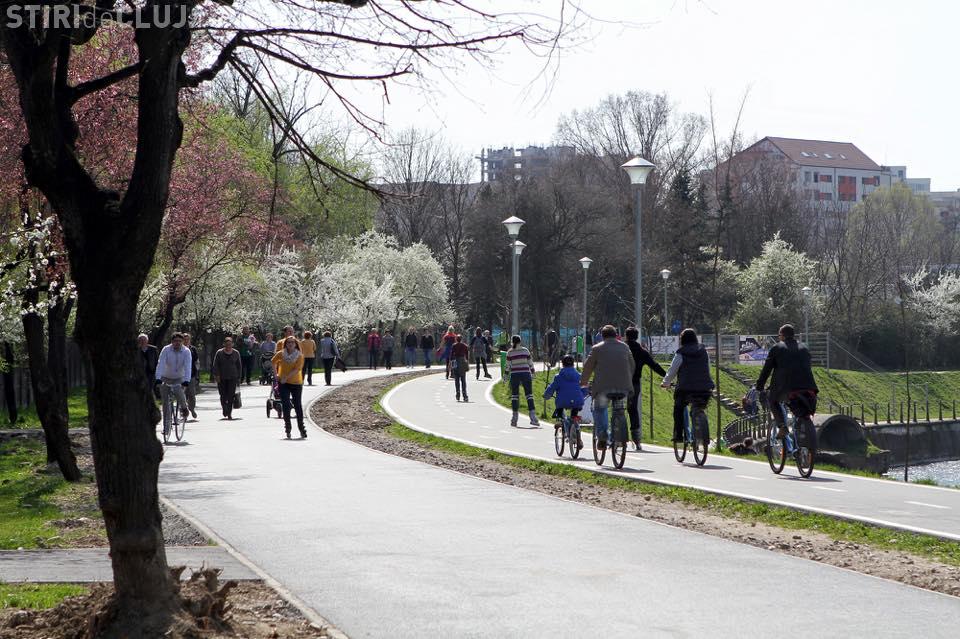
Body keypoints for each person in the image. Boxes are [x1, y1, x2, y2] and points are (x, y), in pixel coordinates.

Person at [755, 324, 819, 438]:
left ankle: (782, 426)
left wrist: (760, 386)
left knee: (773, 400)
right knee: (804, 408)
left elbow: (767, 369)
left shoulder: (777, 348)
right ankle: (803, 432)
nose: (779, 338)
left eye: (779, 335)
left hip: (786, 387)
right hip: (809, 386)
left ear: (782, 336)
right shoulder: (804, 348)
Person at [580, 325, 634, 449]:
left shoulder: (597, 348)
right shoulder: (625, 347)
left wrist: (583, 382)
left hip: (603, 388)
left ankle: (602, 435)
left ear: (602, 336)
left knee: (599, 408)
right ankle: (620, 433)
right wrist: (628, 379)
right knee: (619, 408)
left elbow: (588, 367)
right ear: (616, 335)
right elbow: (632, 365)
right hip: (623, 387)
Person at [660, 328, 715, 443]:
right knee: (700, 406)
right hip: (705, 387)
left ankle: (678, 435)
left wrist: (665, 383)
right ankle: (702, 430)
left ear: (682, 340)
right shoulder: (703, 351)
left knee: (678, 408)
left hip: (686, 389)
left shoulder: (681, 353)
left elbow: (672, 370)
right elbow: (707, 368)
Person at [624, 327, 667, 451]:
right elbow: (654, 365)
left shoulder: (622, 348)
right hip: (635, 384)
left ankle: (617, 436)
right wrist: (666, 376)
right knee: (632, 410)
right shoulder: (642, 351)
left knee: (618, 407)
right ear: (637, 337)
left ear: (626, 336)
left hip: (620, 383)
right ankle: (637, 440)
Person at [543, 355, 585, 447]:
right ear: (573, 364)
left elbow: (551, 388)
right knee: (574, 416)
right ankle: (578, 438)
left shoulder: (558, 377)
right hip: (577, 401)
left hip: (562, 401)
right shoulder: (579, 376)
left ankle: (566, 430)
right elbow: (584, 389)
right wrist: (583, 395)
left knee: (561, 413)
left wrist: (546, 396)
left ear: (562, 364)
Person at [155, 333, 192, 437]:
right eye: (175, 341)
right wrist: (158, 378)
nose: (177, 343)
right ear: (172, 342)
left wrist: (186, 380)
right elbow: (160, 363)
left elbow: (188, 366)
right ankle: (166, 427)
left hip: (179, 377)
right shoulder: (166, 350)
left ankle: (184, 408)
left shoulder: (186, 351)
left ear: (182, 342)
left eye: (179, 341)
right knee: (165, 402)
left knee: (179, 392)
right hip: (165, 377)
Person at [272, 336, 306, 439]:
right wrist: (276, 374)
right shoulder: (281, 354)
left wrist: (286, 377)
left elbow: (297, 369)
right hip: (283, 383)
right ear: (285, 344)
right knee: (286, 405)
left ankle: (301, 427)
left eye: (292, 343)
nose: (290, 344)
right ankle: (288, 426)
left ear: (295, 344)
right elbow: (273, 361)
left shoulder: (299, 356)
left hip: (296, 383)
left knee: (297, 405)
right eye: (288, 342)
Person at [506, 335, 539, 427]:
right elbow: (530, 363)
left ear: (512, 342)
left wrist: (505, 376)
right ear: (520, 341)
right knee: (529, 395)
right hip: (525, 374)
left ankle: (514, 418)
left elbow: (508, 366)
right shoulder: (525, 350)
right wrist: (533, 372)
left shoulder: (510, 352)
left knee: (514, 396)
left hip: (515, 375)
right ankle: (533, 417)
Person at [212, 336, 242, 420]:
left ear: (232, 344)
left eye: (230, 344)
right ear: (224, 344)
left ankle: (229, 412)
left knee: (231, 396)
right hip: (221, 378)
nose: (228, 346)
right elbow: (215, 365)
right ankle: (224, 407)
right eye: (227, 344)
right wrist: (216, 375)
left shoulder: (236, 353)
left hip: (233, 377)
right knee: (223, 395)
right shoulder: (219, 353)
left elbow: (239, 366)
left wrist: (239, 377)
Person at [182, 333, 200, 420]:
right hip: (181, 376)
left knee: (192, 394)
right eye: (184, 339)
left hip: (191, 375)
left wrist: (197, 373)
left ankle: (192, 409)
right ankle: (184, 413)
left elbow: (197, 362)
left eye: (187, 339)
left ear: (189, 340)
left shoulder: (193, 349)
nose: (186, 341)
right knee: (182, 395)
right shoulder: (179, 349)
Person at [138, 334, 159, 398]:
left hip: (151, 373)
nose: (142, 341)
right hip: (140, 374)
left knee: (149, 389)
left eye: (144, 340)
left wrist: (157, 372)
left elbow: (157, 361)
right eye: (141, 340)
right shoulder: (136, 350)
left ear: (147, 340)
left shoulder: (153, 349)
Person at [451, 334, 470, 401]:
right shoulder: (465, 346)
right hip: (462, 362)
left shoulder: (454, 345)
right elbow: (467, 356)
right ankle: (464, 395)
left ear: (456, 339)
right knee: (463, 380)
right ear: (461, 339)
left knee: (456, 380)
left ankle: (458, 393)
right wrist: (467, 364)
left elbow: (451, 355)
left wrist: (451, 364)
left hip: (456, 361)